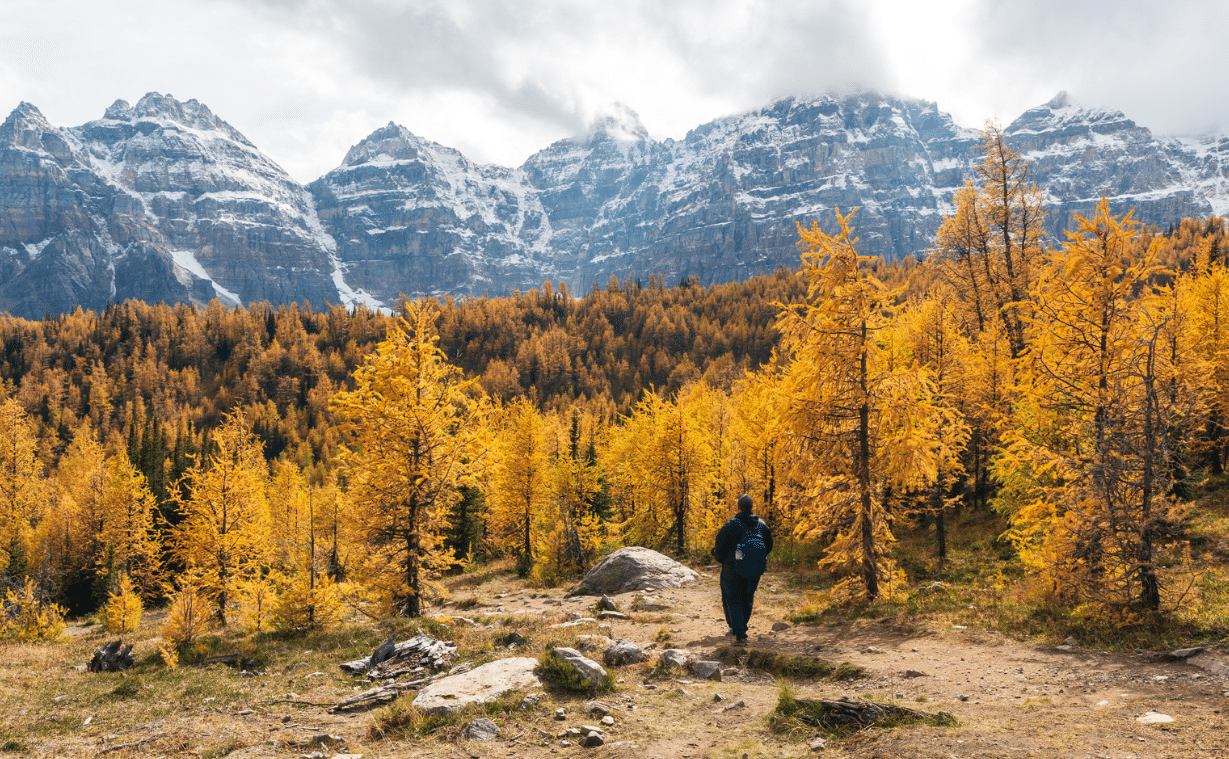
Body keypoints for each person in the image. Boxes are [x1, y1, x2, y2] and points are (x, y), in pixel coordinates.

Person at [711, 493, 773, 645]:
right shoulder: (762, 525)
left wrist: (721, 559)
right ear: (752, 506)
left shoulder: (731, 525)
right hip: (756, 566)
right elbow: (768, 545)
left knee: (733, 599)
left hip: (733, 567)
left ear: (738, 506)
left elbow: (719, 547)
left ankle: (739, 633)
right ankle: (741, 627)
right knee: (748, 597)